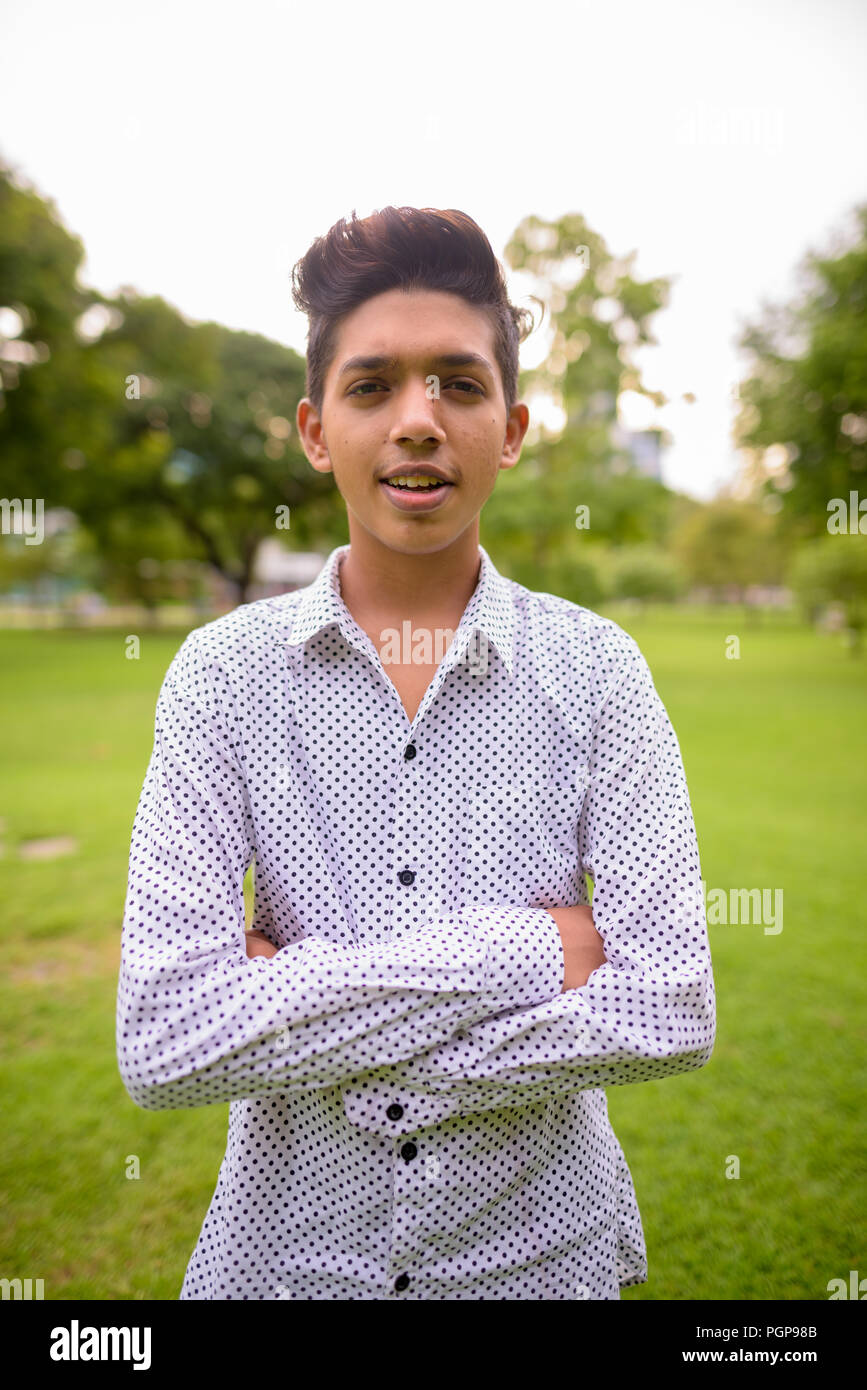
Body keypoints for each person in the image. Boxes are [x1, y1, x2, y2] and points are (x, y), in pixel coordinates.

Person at [116, 205, 716, 1301]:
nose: (418, 420)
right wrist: (531, 957)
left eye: (458, 382)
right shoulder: (220, 678)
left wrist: (303, 1003)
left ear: (515, 425)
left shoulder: (598, 671)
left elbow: (672, 1003)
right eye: (373, 384)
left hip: (541, 1260)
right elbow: (165, 1036)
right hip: (286, 1265)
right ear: (313, 429)